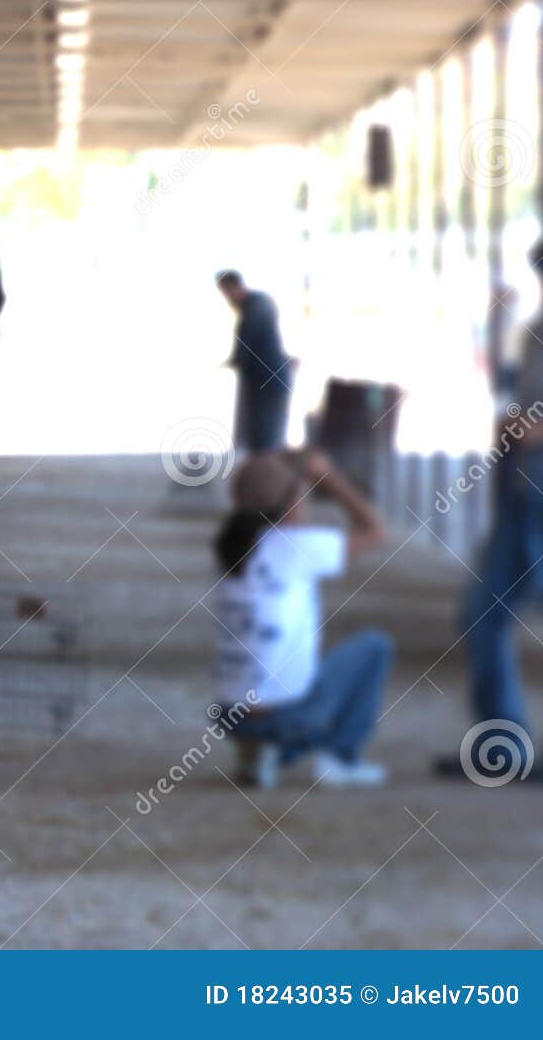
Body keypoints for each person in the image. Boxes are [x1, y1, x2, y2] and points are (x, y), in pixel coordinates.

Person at [212, 448, 391, 788]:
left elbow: (253, 489)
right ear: (293, 507)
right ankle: (339, 758)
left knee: (284, 661)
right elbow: (375, 529)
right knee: (374, 646)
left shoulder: (228, 549)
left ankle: (261, 756)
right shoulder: (296, 548)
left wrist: (279, 466)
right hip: (284, 716)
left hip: (228, 715)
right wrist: (329, 477)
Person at [437, 238, 543, 782]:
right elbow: (516, 396)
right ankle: (502, 745)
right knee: (482, 616)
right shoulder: (535, 333)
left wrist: (538, 430)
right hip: (525, 495)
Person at [216, 270, 294, 451]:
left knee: (265, 440)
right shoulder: (257, 304)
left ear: (234, 287)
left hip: (269, 380)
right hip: (267, 380)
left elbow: (248, 342)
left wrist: (237, 360)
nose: (228, 299)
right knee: (263, 437)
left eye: (226, 293)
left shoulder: (256, 306)